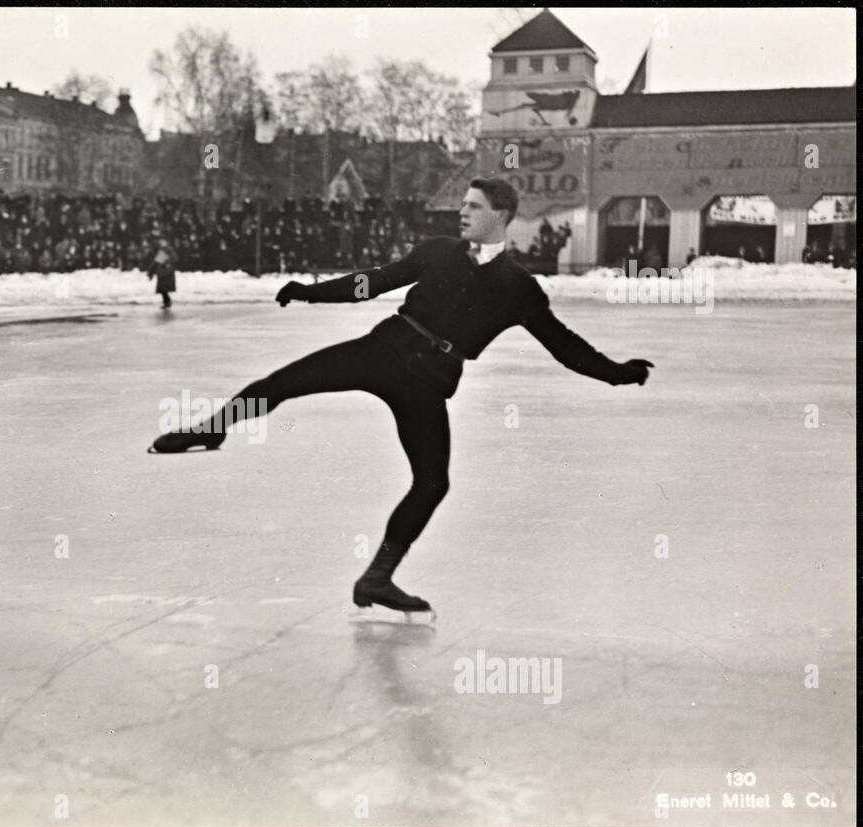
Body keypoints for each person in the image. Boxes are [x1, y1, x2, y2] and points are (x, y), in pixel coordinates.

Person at [147, 178, 654, 614]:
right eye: (463, 204)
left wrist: (616, 373)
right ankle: (210, 430)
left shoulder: (519, 287)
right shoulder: (437, 251)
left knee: (433, 482)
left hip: (428, 379)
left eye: (473, 206)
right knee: (279, 384)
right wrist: (311, 291)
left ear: (500, 215)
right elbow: (375, 282)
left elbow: (562, 344)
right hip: (385, 349)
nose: (462, 211)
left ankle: (377, 579)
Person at [148, 239, 177, 311]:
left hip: (166, 273)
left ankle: (167, 302)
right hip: (162, 273)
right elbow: (155, 262)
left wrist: (166, 261)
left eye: (163, 242)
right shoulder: (162, 251)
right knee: (162, 289)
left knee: (163, 288)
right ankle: (167, 302)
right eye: (161, 242)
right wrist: (150, 272)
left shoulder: (168, 250)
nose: (162, 243)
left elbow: (174, 258)